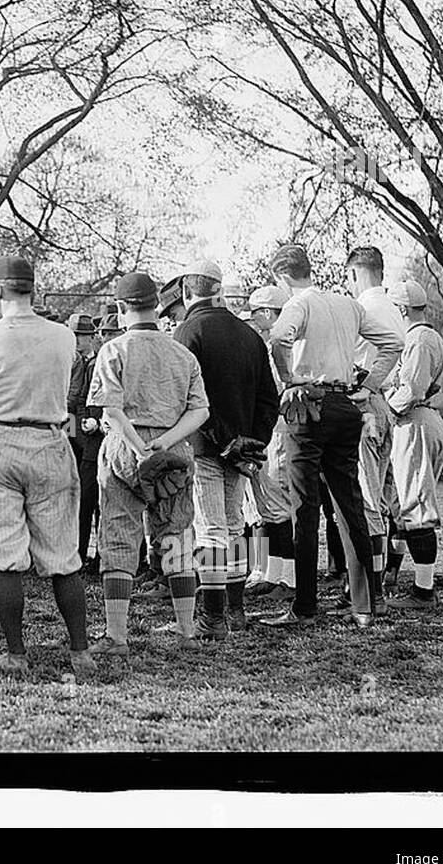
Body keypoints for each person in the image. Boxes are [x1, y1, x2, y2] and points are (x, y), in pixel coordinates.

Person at [0, 256, 95, 677]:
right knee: (63, 554)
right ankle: (81, 652)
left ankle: (16, 653)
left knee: (5, 554)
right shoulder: (64, 336)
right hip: (51, 439)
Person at [260, 244, 403, 629]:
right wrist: (369, 385)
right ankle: (364, 605)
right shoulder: (347, 304)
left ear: (283, 276)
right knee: (349, 505)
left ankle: (306, 606)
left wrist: (290, 379)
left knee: (304, 509)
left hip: (309, 404)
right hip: (345, 404)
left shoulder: (299, 303)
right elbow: (394, 343)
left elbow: (278, 338)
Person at [87, 271, 210, 652]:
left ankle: (116, 636)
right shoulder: (182, 353)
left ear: (121, 306)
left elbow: (111, 409)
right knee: (176, 534)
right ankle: (187, 632)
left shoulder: (113, 350)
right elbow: (201, 410)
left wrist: (141, 450)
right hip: (173, 449)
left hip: (126, 446)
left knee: (119, 535)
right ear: (157, 305)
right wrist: (165, 443)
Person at [173, 260, 279, 637]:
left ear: (187, 291)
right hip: (241, 448)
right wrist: (252, 442)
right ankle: (235, 611)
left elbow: (186, 398)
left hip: (204, 445)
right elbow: (270, 398)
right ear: (218, 290)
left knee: (211, 529)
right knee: (234, 526)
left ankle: (213, 618)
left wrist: (226, 441)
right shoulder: (249, 335)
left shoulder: (188, 331)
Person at [331, 246, 407, 614]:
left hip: (363, 402)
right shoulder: (392, 307)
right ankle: (368, 585)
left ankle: (369, 591)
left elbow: (387, 349)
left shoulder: (362, 307)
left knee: (364, 499)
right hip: (382, 403)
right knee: (376, 496)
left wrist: (366, 384)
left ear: (353, 273)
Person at [384, 279, 443, 610]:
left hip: (415, 422)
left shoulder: (418, 339)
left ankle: (423, 592)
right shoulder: (433, 337)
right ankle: (392, 574)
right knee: (403, 504)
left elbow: (411, 391)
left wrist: (384, 408)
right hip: (427, 420)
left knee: (415, 507)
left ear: (402, 309)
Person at [243, 284, 297, 597]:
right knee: (268, 505)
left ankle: (289, 579)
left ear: (267, 312)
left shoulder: (282, 344)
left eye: (256, 313)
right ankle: (273, 573)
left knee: (280, 505)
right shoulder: (269, 344)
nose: (254, 320)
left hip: (279, 426)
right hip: (268, 428)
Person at [65, 313, 102, 568]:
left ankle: (100, 554)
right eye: (74, 335)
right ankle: (77, 554)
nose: (78, 340)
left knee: (98, 499)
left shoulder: (98, 361)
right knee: (79, 499)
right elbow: (70, 404)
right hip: (74, 430)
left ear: (92, 337)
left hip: (96, 434)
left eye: (83, 336)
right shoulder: (68, 360)